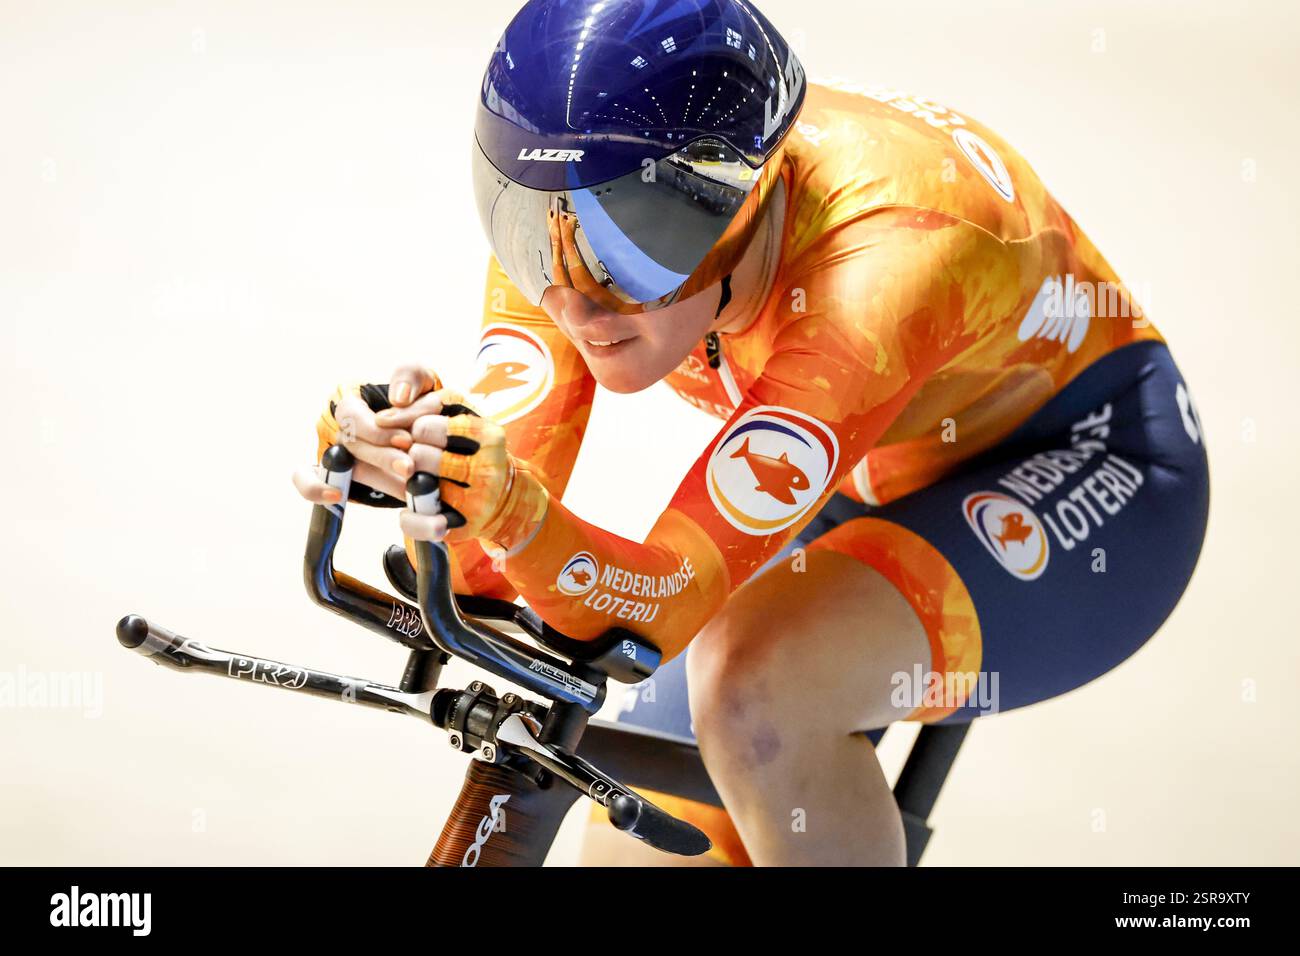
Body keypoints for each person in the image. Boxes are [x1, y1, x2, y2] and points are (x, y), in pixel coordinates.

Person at [293, 0, 1209, 866]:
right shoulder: (578, 224)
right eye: (529, 224)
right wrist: (421, 465)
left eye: (636, 236)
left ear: (744, 194)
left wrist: (515, 516)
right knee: (634, 846)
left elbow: (650, 602)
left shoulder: (884, 265)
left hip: (1087, 466)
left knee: (755, 694)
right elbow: (495, 541)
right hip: (861, 460)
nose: (575, 299)